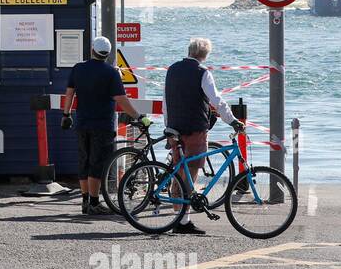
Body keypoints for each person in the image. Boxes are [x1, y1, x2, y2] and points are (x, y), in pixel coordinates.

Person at [163, 37, 246, 235]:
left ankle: (179, 217)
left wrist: (168, 126)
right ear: (205, 55)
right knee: (191, 171)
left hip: (175, 127)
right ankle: (183, 222)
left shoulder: (172, 69)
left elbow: (165, 100)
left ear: (189, 51)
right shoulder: (202, 73)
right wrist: (232, 120)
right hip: (195, 128)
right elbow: (216, 100)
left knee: (179, 170)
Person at [61, 36, 148, 215]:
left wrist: (66, 114)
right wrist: (138, 116)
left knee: (84, 161)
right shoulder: (111, 73)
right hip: (102, 124)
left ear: (92, 49)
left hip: (82, 122)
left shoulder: (78, 68)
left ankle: (85, 201)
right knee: (97, 163)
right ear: (108, 54)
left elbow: (69, 93)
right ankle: (94, 202)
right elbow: (121, 100)